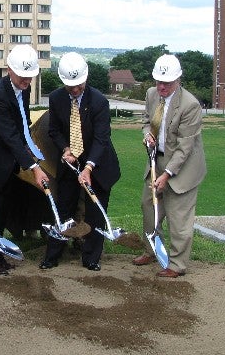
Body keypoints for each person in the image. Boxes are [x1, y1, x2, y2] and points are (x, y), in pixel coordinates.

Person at [0, 44, 49, 275]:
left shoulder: (23, 89)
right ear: (9, 70)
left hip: (8, 163)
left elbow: (23, 124)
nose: (27, 81)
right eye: (23, 76)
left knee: (3, 211)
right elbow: (10, 136)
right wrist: (34, 167)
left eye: (30, 76)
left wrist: (32, 149)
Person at [42, 52, 121, 271]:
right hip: (70, 163)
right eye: (70, 86)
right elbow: (54, 130)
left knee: (95, 213)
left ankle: (91, 258)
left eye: (79, 85)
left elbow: (101, 138)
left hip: (98, 164)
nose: (75, 89)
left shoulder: (99, 101)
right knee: (63, 209)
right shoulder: (56, 98)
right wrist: (66, 149)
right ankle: (53, 255)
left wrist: (88, 167)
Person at [132, 54, 206, 277]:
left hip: (184, 166)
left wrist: (166, 175)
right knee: (148, 206)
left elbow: (185, 148)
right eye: (158, 82)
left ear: (178, 80)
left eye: (167, 83)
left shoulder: (190, 105)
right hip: (157, 159)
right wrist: (147, 134)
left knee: (178, 217)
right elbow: (147, 121)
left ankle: (177, 265)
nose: (161, 87)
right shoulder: (151, 94)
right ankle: (151, 250)